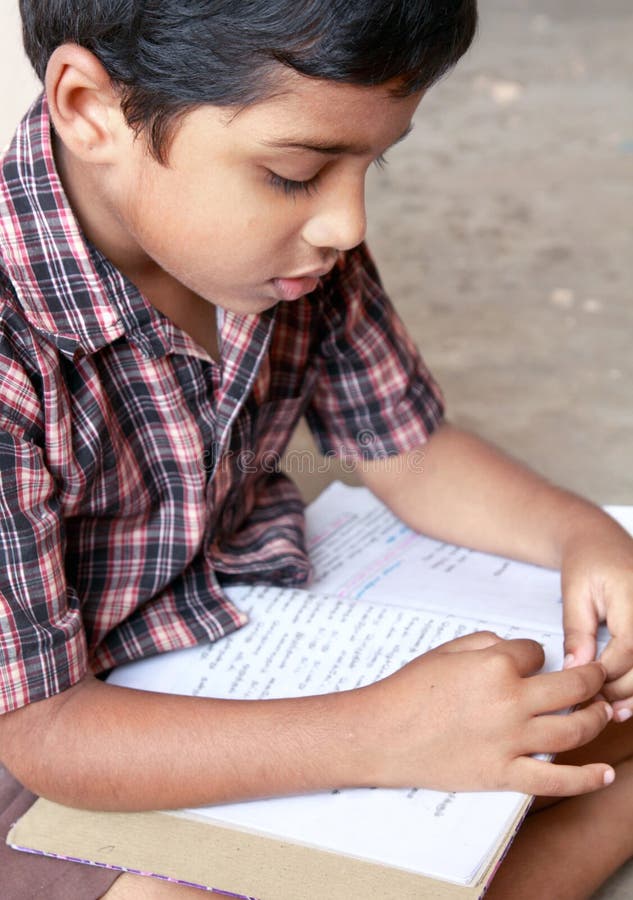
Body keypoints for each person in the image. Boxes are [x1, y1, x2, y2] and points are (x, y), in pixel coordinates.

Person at [1, 2, 632, 898]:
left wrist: (586, 540)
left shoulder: (280, 257)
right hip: (41, 730)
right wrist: (380, 735)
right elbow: (45, 730)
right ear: (90, 107)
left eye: (371, 163)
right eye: (297, 173)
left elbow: (409, 453)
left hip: (223, 636)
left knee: (573, 706)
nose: (346, 223)